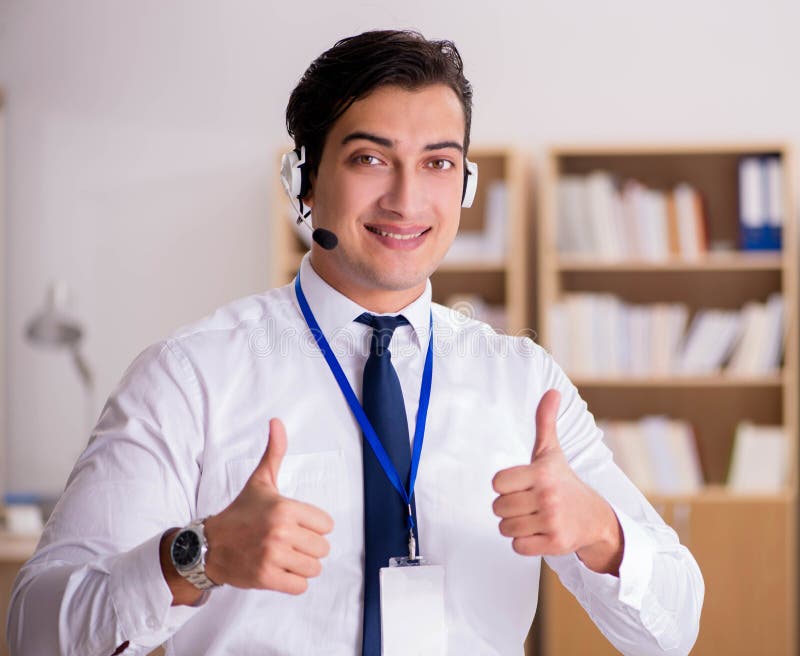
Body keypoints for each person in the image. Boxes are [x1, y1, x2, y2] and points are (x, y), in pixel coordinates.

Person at [7, 29, 703, 656]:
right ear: (303, 179)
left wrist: (601, 533)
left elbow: (675, 629)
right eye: (371, 158)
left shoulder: (523, 383)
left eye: (437, 164)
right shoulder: (190, 375)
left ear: (465, 185)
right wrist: (198, 556)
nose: (407, 200)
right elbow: (35, 633)